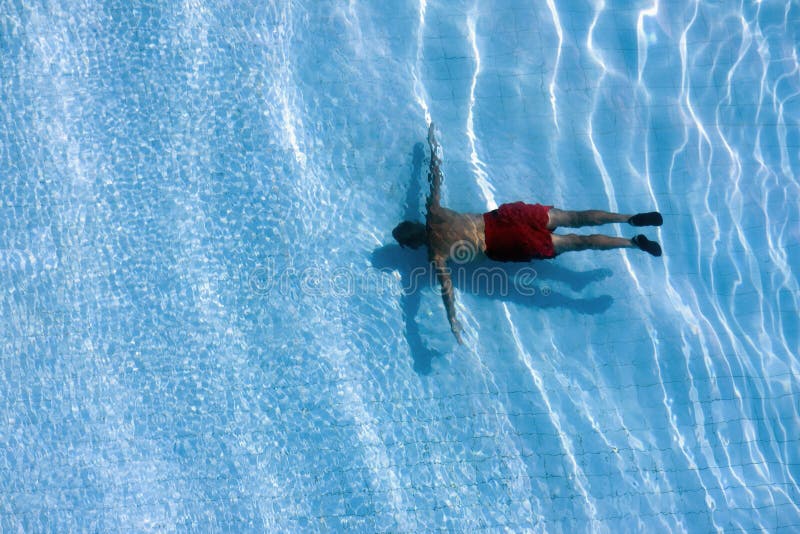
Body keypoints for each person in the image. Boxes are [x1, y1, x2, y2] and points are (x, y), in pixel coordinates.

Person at [392, 123, 663, 344]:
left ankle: (632, 243)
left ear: (412, 244)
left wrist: (452, 320)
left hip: (504, 242)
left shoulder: (436, 255)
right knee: (574, 216)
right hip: (506, 217)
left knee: (578, 243)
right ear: (415, 224)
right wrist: (432, 146)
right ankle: (629, 217)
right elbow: (433, 176)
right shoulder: (433, 211)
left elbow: (446, 288)